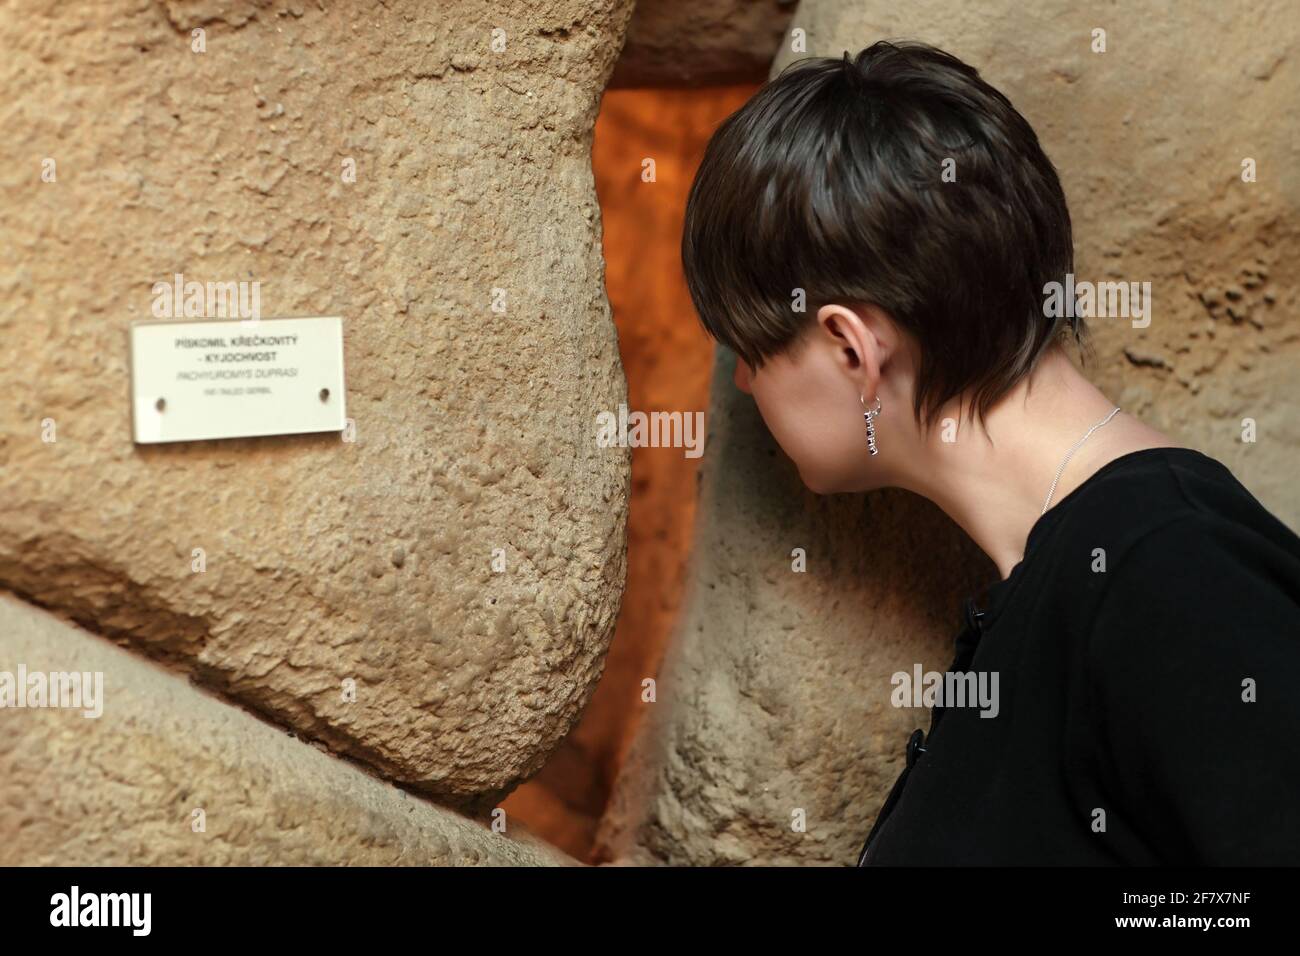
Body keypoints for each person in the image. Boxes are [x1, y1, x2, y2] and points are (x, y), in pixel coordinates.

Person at [680, 40, 1300, 865]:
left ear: (852, 350)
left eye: (752, 350)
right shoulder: (1068, 577)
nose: (750, 386)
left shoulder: (1170, 571)